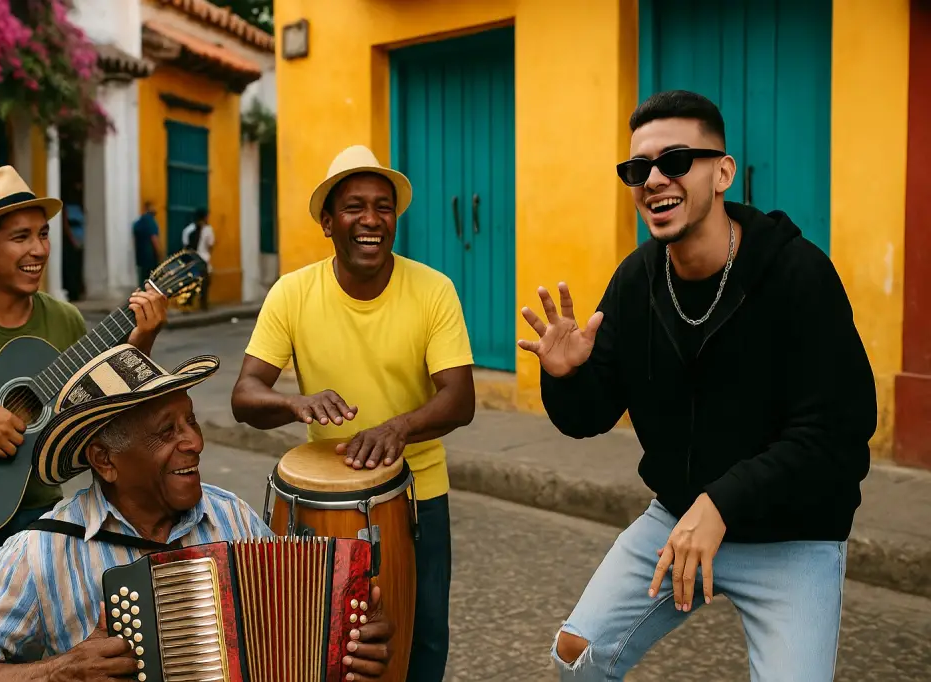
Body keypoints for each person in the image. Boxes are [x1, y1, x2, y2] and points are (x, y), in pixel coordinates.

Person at [519, 90, 877, 681]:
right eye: (639, 169)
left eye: (677, 160)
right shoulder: (637, 282)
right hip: (678, 517)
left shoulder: (799, 275)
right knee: (576, 656)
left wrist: (722, 502)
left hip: (794, 535)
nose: (655, 179)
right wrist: (566, 378)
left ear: (722, 173)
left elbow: (835, 435)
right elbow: (588, 417)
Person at [0, 344, 394, 682]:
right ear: (106, 461)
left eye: (191, 420)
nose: (194, 442)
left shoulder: (232, 518)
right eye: (167, 432)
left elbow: (297, 635)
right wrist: (56, 673)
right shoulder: (42, 551)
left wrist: (352, 642)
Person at [0, 165, 169, 679]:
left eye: (44, 234)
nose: (39, 250)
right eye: (19, 237)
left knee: (76, 639)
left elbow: (100, 419)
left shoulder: (64, 322)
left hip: (40, 517)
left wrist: (141, 344)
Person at [231, 144, 476, 682]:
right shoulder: (292, 293)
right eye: (354, 207)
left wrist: (399, 428)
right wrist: (294, 403)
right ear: (327, 222)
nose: (371, 220)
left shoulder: (434, 290)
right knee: (321, 642)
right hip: (323, 500)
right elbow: (245, 394)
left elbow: (459, 398)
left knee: (424, 636)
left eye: (383, 207)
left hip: (417, 493)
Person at [182, 207, 214, 310]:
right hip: (203, 259)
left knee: (192, 282)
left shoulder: (187, 230)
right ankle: (203, 305)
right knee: (205, 283)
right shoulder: (208, 230)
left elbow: (185, 245)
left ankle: (187, 303)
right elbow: (210, 245)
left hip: (191, 260)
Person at [132, 200, 161, 285]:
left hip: (140, 257)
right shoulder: (151, 221)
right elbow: (154, 238)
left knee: (142, 280)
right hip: (150, 257)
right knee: (151, 281)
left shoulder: (138, 222)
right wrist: (160, 254)